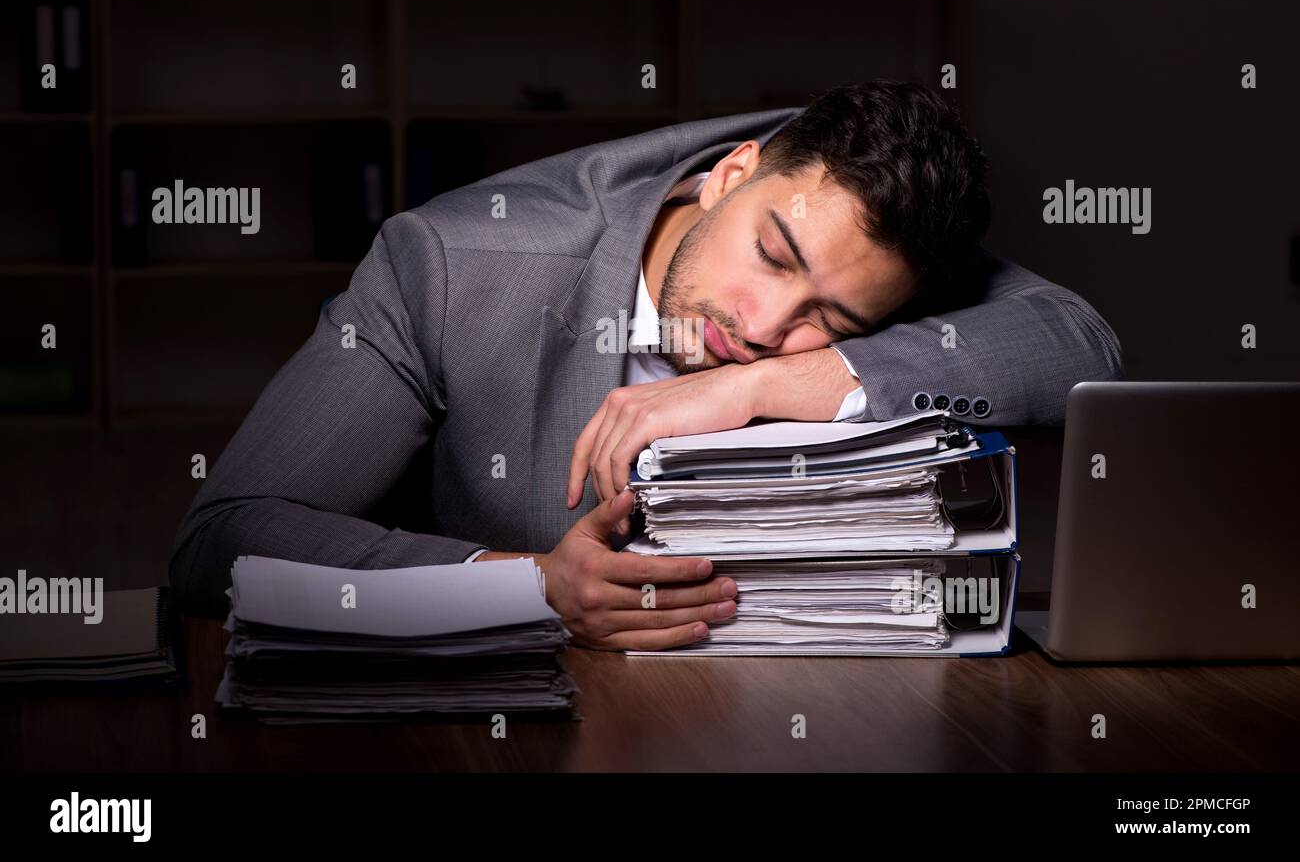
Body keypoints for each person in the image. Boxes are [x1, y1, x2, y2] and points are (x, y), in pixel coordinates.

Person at [171, 81, 1121, 649]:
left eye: (828, 317)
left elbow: (1078, 341)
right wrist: (525, 580)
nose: (762, 323)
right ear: (733, 172)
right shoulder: (455, 268)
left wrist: (767, 382)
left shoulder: (873, 249)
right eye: (774, 257)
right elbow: (222, 539)